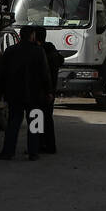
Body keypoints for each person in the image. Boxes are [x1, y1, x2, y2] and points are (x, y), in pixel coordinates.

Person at [0, 25, 51, 161]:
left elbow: (2, 73)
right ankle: (34, 152)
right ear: (32, 36)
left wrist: (0, 91)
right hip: (35, 94)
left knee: (13, 123)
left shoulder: (10, 50)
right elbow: (45, 73)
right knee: (35, 123)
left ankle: (8, 151)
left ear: (20, 35)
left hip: (15, 94)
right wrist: (48, 91)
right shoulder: (39, 51)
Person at [33, 26, 64, 154]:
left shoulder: (38, 53)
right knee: (47, 119)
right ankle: (49, 145)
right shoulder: (53, 52)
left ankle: (36, 145)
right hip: (50, 90)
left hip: (39, 90)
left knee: (36, 118)